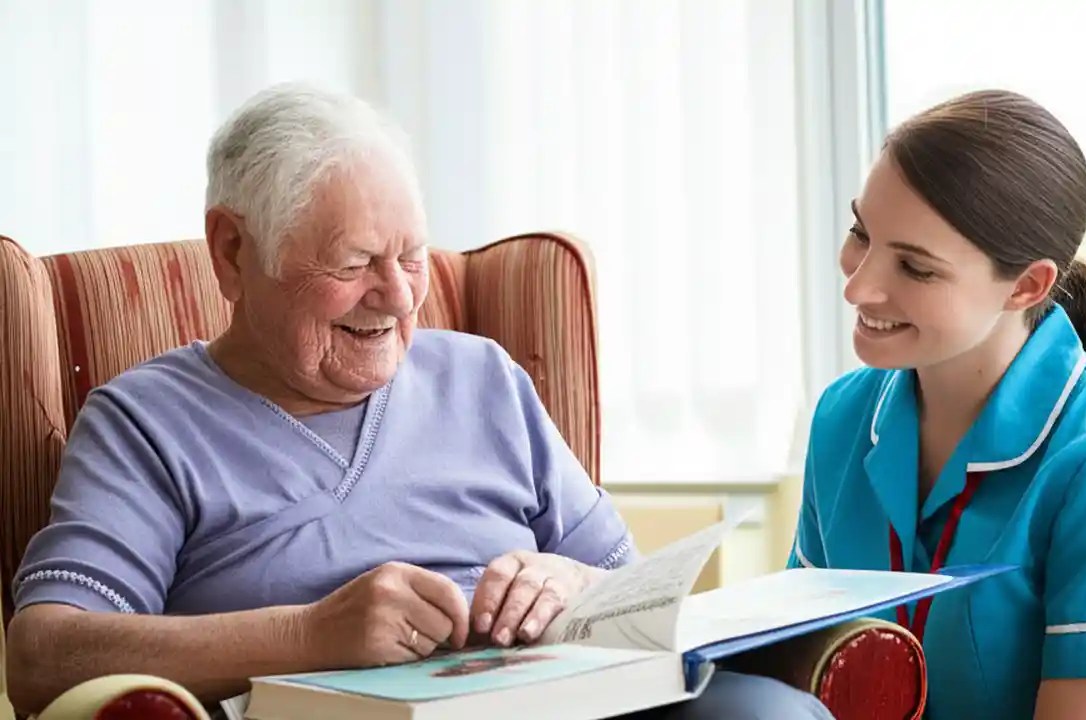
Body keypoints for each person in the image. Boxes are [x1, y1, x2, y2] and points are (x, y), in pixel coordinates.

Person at [7, 83, 831, 720]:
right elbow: (45, 653)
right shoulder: (146, 422)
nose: (399, 296)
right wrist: (310, 636)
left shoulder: (485, 378)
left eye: (413, 254)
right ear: (232, 251)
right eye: (357, 261)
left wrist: (569, 582)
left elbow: (636, 590)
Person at [788, 89, 1086, 719]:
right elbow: (802, 667)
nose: (858, 284)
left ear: (1026, 286)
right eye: (862, 232)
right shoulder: (843, 418)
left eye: (915, 267)